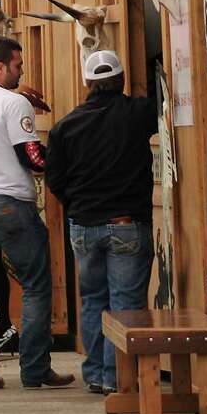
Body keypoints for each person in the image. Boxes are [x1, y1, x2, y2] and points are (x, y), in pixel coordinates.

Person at [0, 35, 73, 391]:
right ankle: (35, 369)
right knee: (36, 284)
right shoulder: (13, 102)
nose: (21, 73)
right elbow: (32, 158)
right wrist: (60, 163)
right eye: (18, 66)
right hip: (8, 201)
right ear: (0, 66)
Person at [45, 50, 155, 394]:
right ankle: (115, 377)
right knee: (125, 303)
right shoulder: (139, 113)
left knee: (93, 300)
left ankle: (95, 373)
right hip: (126, 224)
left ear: (87, 83)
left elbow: (54, 178)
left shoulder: (65, 126)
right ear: (122, 80)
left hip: (84, 226)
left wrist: (78, 205)